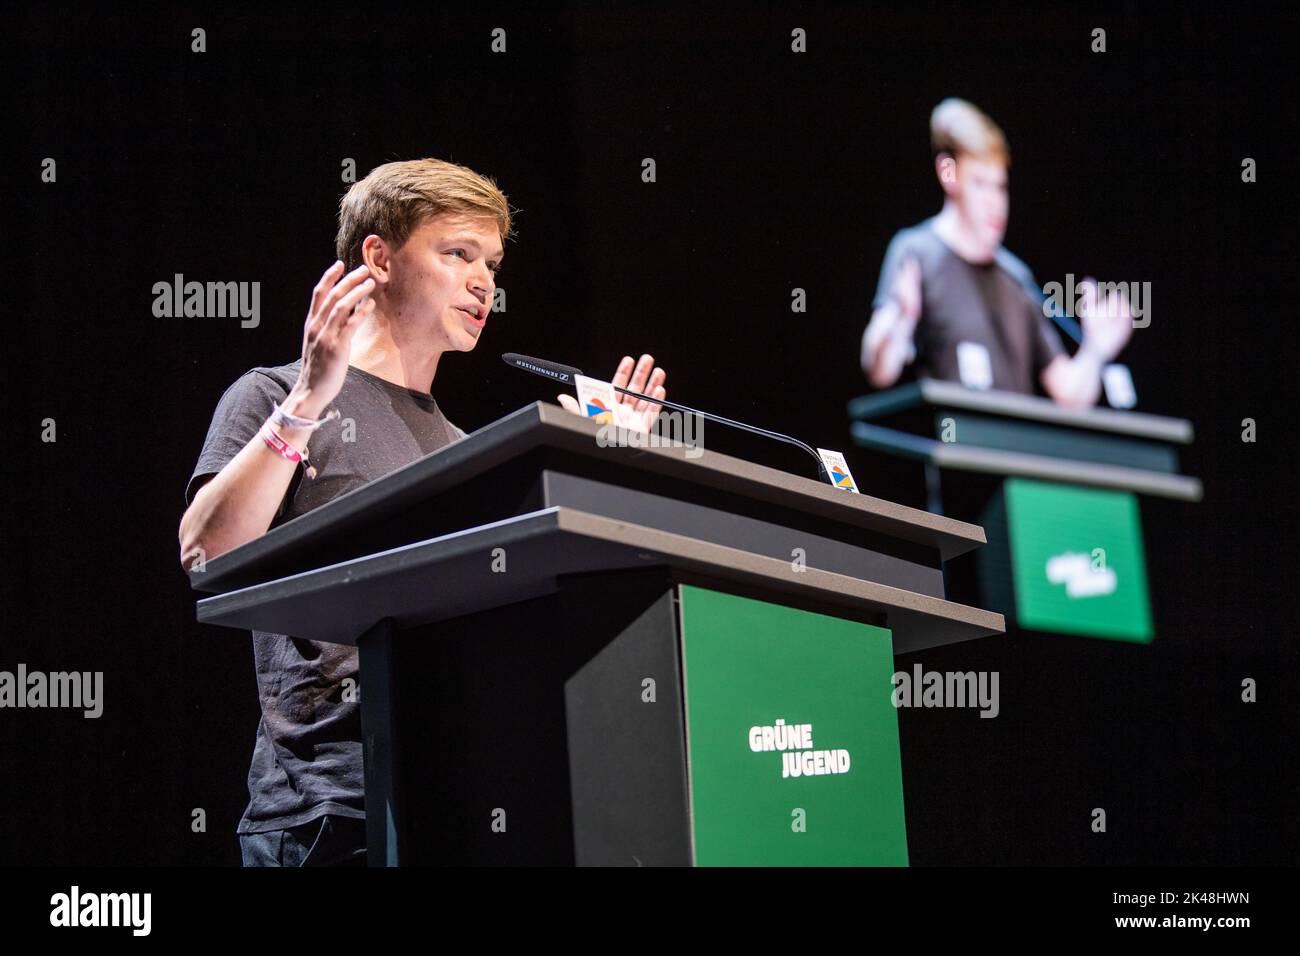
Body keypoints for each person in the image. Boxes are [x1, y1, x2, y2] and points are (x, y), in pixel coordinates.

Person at [178, 158, 668, 866]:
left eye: (492, 263)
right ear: (378, 257)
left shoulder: (466, 452)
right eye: (458, 253)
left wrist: (609, 471)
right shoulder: (275, 396)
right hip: (334, 813)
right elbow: (206, 552)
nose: (484, 282)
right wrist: (307, 403)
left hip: (465, 795)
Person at [860, 98, 1133, 409]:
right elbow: (879, 371)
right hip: (951, 448)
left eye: (1000, 187)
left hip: (1013, 455)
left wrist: (1096, 349)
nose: (995, 203)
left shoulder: (1016, 277)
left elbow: (1069, 394)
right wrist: (899, 320)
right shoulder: (916, 252)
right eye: (979, 184)